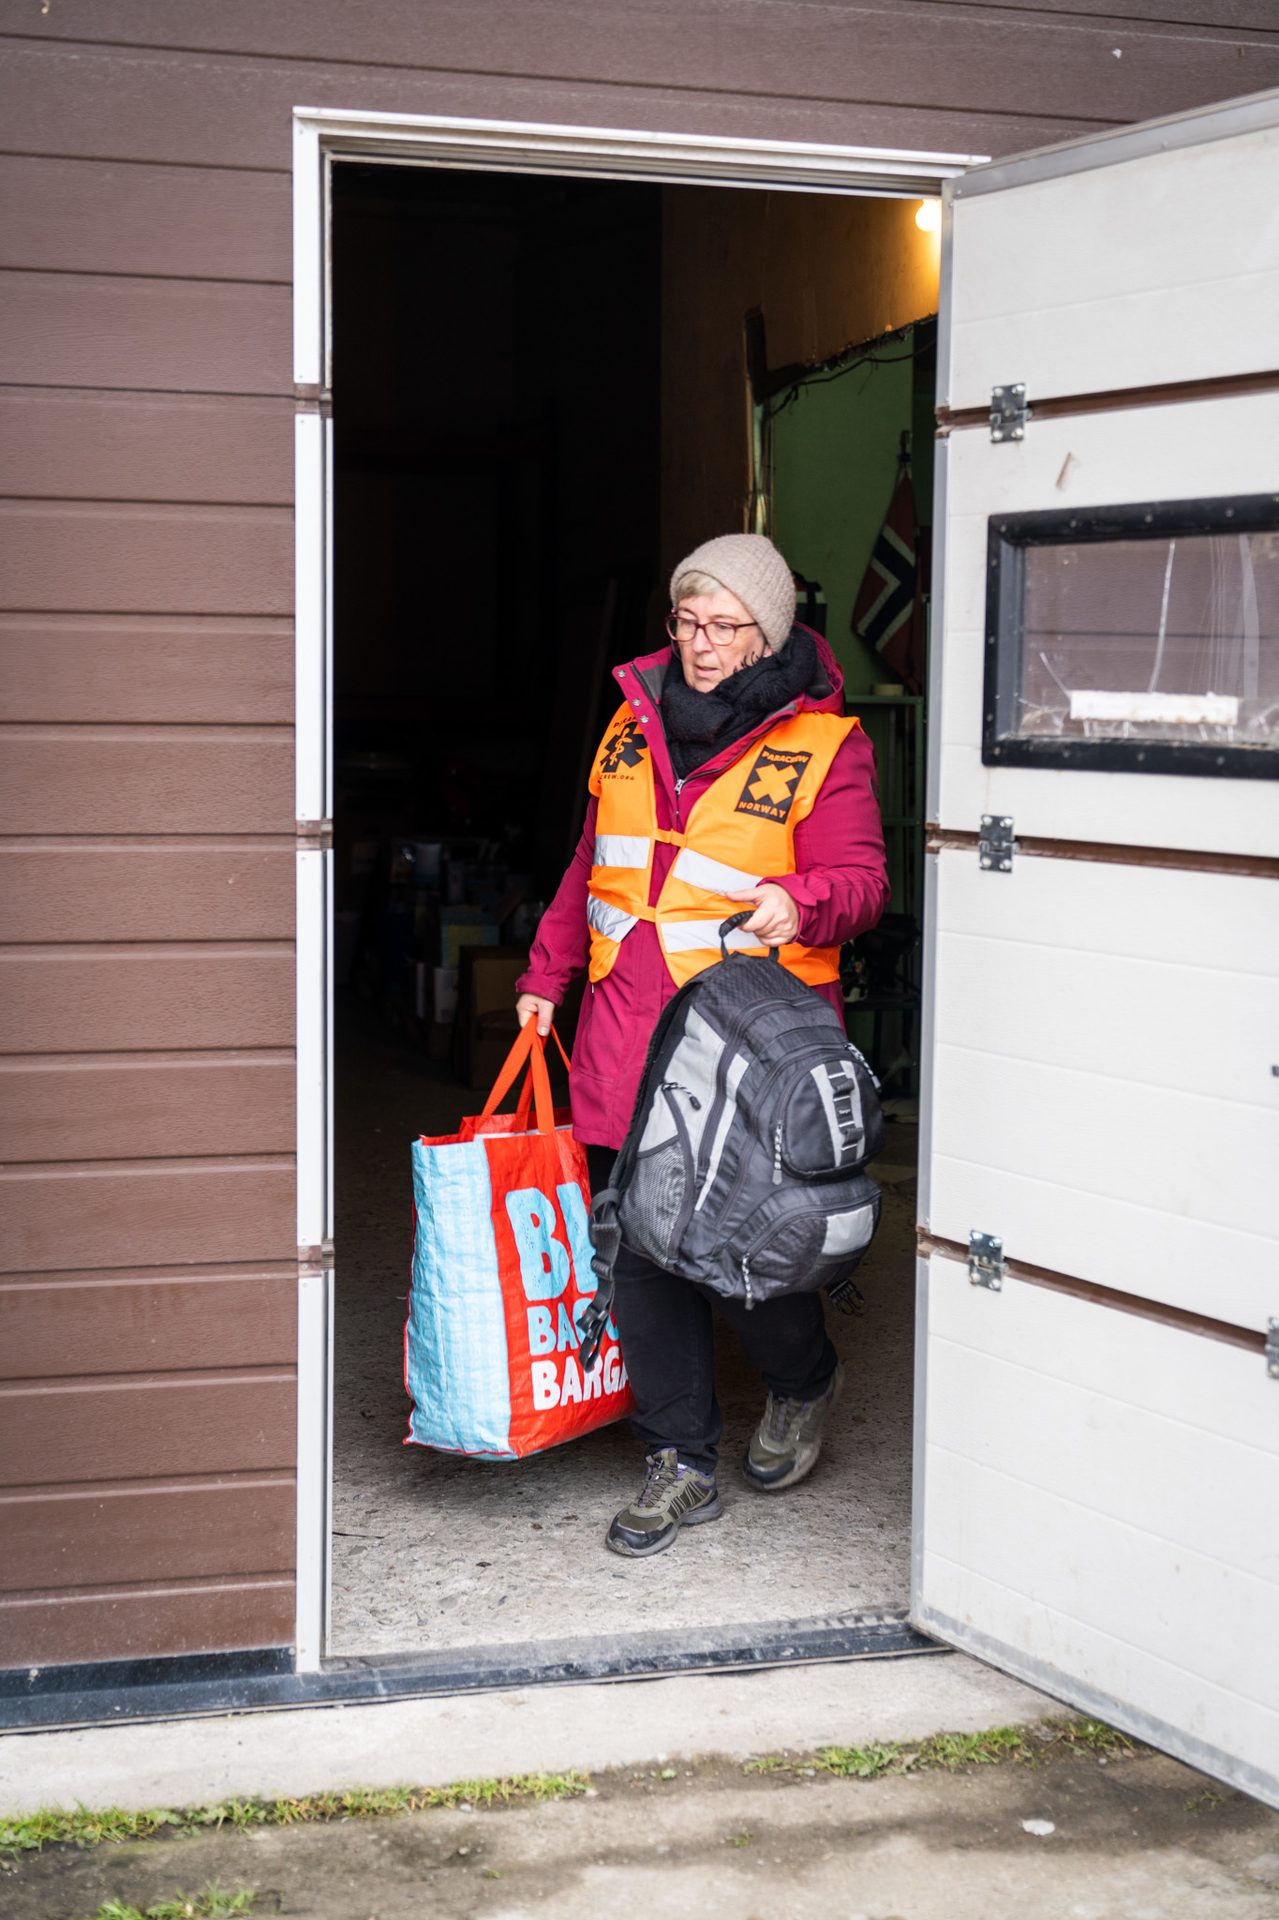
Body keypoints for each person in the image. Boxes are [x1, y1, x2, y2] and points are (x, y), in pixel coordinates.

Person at [516, 533, 889, 1556]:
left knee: (741, 1249)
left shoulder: (826, 746)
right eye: (685, 620)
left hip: (745, 1050)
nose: (698, 643)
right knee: (640, 1248)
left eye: (722, 625)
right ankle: (679, 1461)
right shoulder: (629, 730)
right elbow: (588, 869)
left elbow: (863, 885)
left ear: (766, 633)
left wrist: (796, 900)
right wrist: (544, 981)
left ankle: (803, 1378)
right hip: (625, 1033)